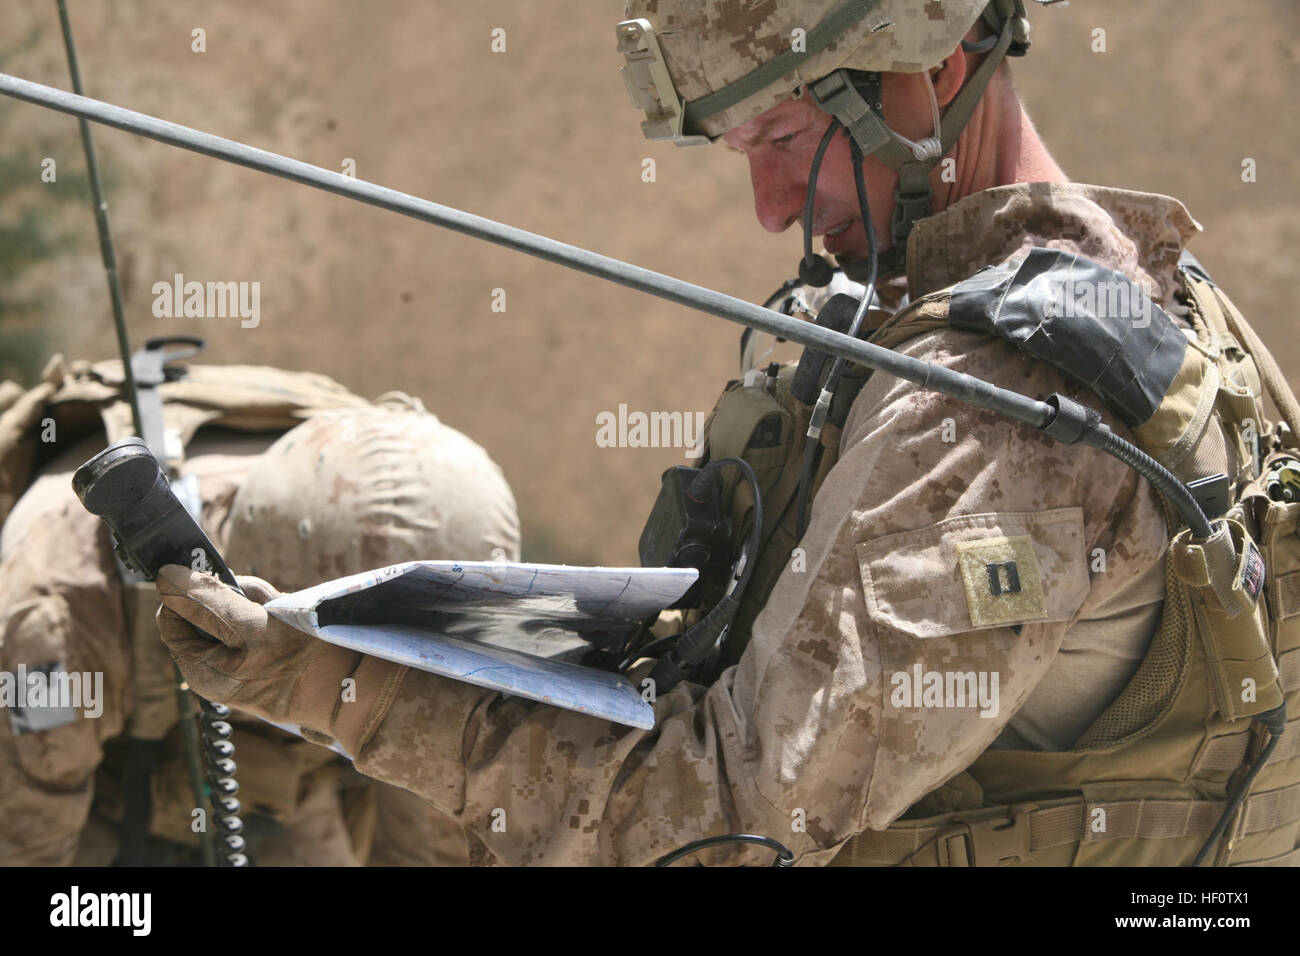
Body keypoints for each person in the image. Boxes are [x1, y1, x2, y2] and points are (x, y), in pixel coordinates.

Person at [154, 0, 1300, 866]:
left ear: (933, 69)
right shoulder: (1153, 293)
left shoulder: (993, 413)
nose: (767, 208)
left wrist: (333, 684)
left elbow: (727, 825)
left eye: (790, 139)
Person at [0, 354, 520, 865]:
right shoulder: (56, 622)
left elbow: (432, 829)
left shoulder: (429, 521)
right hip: (106, 777)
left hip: (280, 765)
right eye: (366, 660)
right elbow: (28, 837)